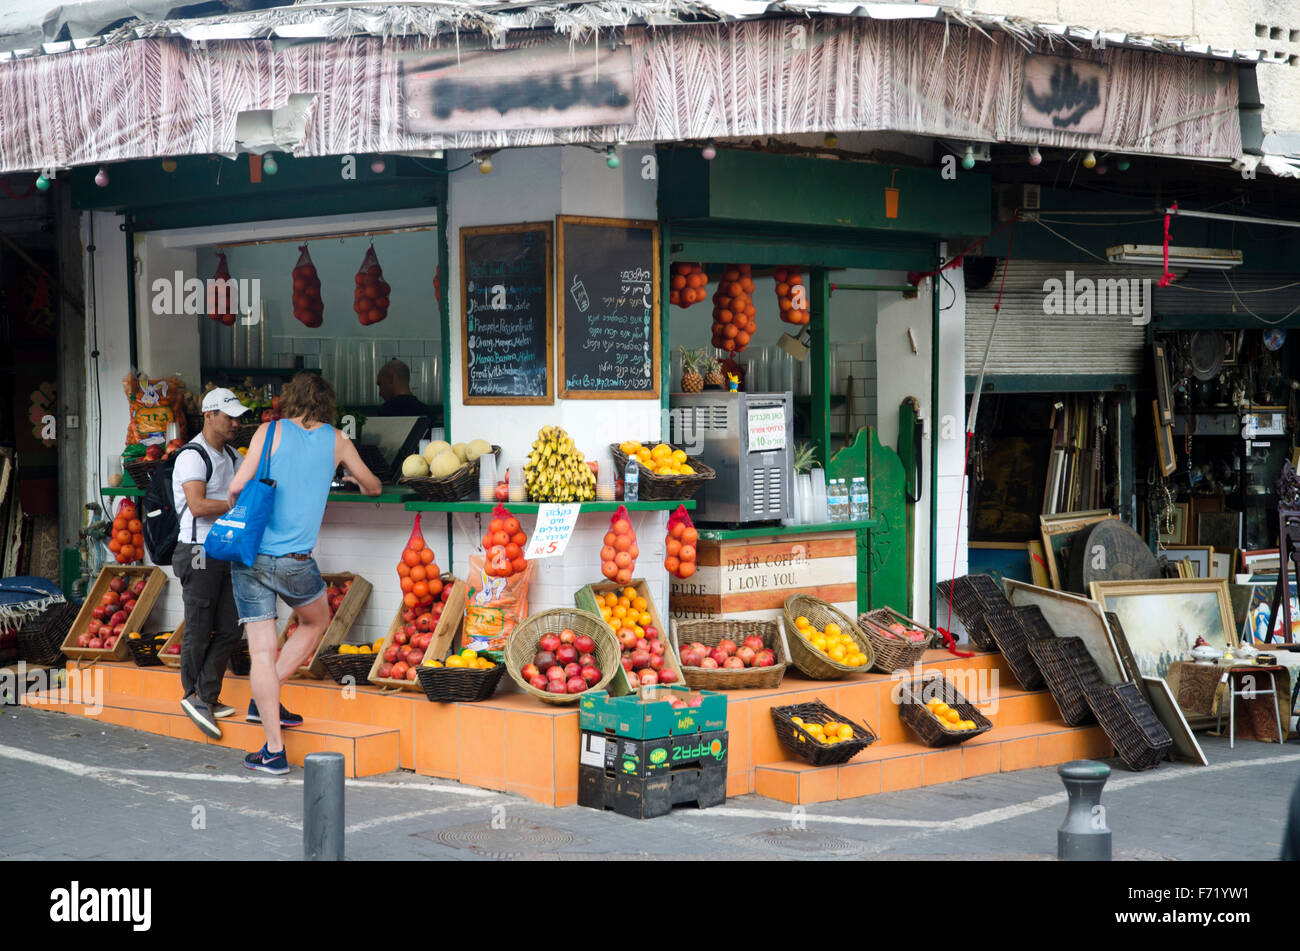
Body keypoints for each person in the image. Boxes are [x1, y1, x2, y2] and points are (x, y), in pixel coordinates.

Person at [226, 372, 381, 774]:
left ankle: (273, 749)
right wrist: (352, 478)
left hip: (251, 556)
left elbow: (237, 486)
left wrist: (238, 506)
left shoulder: (269, 431)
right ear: (328, 404)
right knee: (316, 621)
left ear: (290, 399)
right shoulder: (337, 440)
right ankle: (268, 697)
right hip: (296, 561)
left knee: (261, 652)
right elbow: (374, 486)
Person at [173, 388, 249, 740]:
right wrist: (239, 505)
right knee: (200, 624)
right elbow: (199, 506)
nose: (236, 423)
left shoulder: (233, 455)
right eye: (229, 416)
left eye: (238, 417)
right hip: (198, 550)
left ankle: (207, 693)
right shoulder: (192, 455)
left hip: (226, 550)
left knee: (232, 627)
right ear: (208, 416)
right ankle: (192, 696)